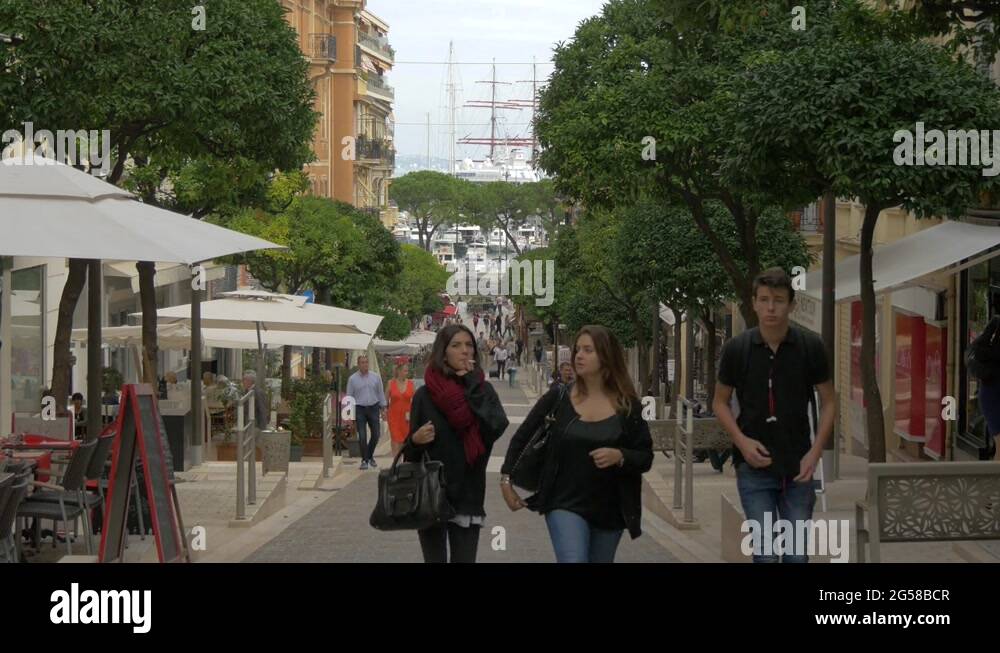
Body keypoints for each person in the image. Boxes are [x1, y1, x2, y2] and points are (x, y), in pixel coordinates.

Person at [501, 325, 653, 563]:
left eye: (588, 350)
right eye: (578, 350)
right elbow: (522, 436)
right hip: (564, 503)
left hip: (610, 509)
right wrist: (506, 480)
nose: (579, 355)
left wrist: (620, 455)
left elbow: (645, 456)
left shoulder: (628, 406)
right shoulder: (559, 396)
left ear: (606, 356)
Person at [713, 268, 835, 563]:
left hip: (798, 467)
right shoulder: (737, 349)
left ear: (791, 305)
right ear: (753, 302)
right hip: (754, 469)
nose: (771, 307)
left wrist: (815, 453)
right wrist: (741, 442)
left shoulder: (810, 346)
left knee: (796, 556)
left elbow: (830, 401)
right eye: (764, 299)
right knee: (765, 554)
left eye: (779, 300)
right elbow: (720, 402)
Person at [405, 324, 509, 563]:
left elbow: (495, 427)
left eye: (469, 345)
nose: (465, 351)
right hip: (432, 493)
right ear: (443, 352)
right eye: (456, 345)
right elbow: (410, 456)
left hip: (468, 492)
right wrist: (415, 440)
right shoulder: (425, 396)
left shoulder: (483, 390)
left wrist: (472, 385)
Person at [346, 355, 387, 470]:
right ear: (358, 365)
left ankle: (369, 456)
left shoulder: (376, 377)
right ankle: (365, 460)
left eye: (366, 362)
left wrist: (383, 408)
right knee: (362, 436)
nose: (365, 365)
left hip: (373, 407)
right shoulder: (352, 379)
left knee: (376, 434)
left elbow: (380, 393)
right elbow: (349, 397)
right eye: (362, 363)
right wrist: (349, 415)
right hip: (360, 409)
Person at [386, 359, 416, 459]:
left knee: (405, 439)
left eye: (407, 371)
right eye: (405, 371)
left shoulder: (411, 384)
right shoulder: (390, 383)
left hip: (407, 417)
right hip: (393, 416)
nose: (406, 373)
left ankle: (404, 461)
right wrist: (383, 411)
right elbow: (385, 400)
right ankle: (396, 463)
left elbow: (415, 401)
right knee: (395, 439)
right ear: (398, 371)